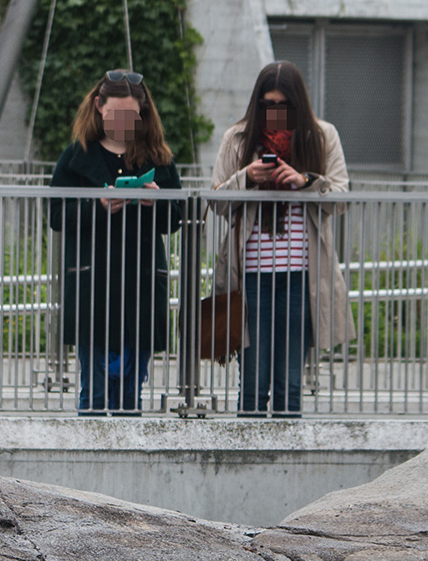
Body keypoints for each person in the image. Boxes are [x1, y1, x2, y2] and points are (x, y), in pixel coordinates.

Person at [207, 61, 353, 417]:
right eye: (267, 105)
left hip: (302, 273)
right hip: (251, 274)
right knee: (254, 377)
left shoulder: (321, 135)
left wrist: (305, 182)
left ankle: (287, 445)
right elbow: (216, 200)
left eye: (282, 105)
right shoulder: (238, 138)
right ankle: (248, 451)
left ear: (297, 105)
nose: (274, 113)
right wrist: (247, 177)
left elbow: (341, 197)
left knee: (290, 378)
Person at [48, 70, 183, 415]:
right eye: (115, 114)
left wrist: (157, 202)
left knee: (130, 392)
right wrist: (99, 205)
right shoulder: (76, 156)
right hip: (93, 280)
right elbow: (56, 215)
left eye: (131, 116)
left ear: (143, 113)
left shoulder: (159, 159)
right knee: (92, 391)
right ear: (98, 106)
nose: (123, 122)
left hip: (139, 282)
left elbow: (175, 219)